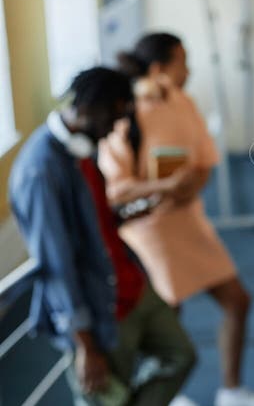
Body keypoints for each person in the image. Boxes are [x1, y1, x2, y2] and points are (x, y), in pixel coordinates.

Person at [97, 33, 254, 406]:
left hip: (187, 219)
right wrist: (165, 185)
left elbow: (203, 160)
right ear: (158, 69)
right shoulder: (125, 115)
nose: (189, 69)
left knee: (238, 300)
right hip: (149, 230)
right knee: (169, 316)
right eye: (182, 61)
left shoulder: (184, 102)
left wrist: (188, 184)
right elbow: (115, 191)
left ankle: (231, 390)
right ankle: (168, 394)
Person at [8, 67, 197, 405]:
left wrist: (127, 213)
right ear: (91, 107)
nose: (115, 128)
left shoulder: (82, 151)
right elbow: (56, 266)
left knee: (181, 355)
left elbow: (93, 220)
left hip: (130, 284)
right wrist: (85, 348)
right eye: (114, 115)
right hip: (97, 312)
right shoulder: (41, 171)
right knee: (107, 397)